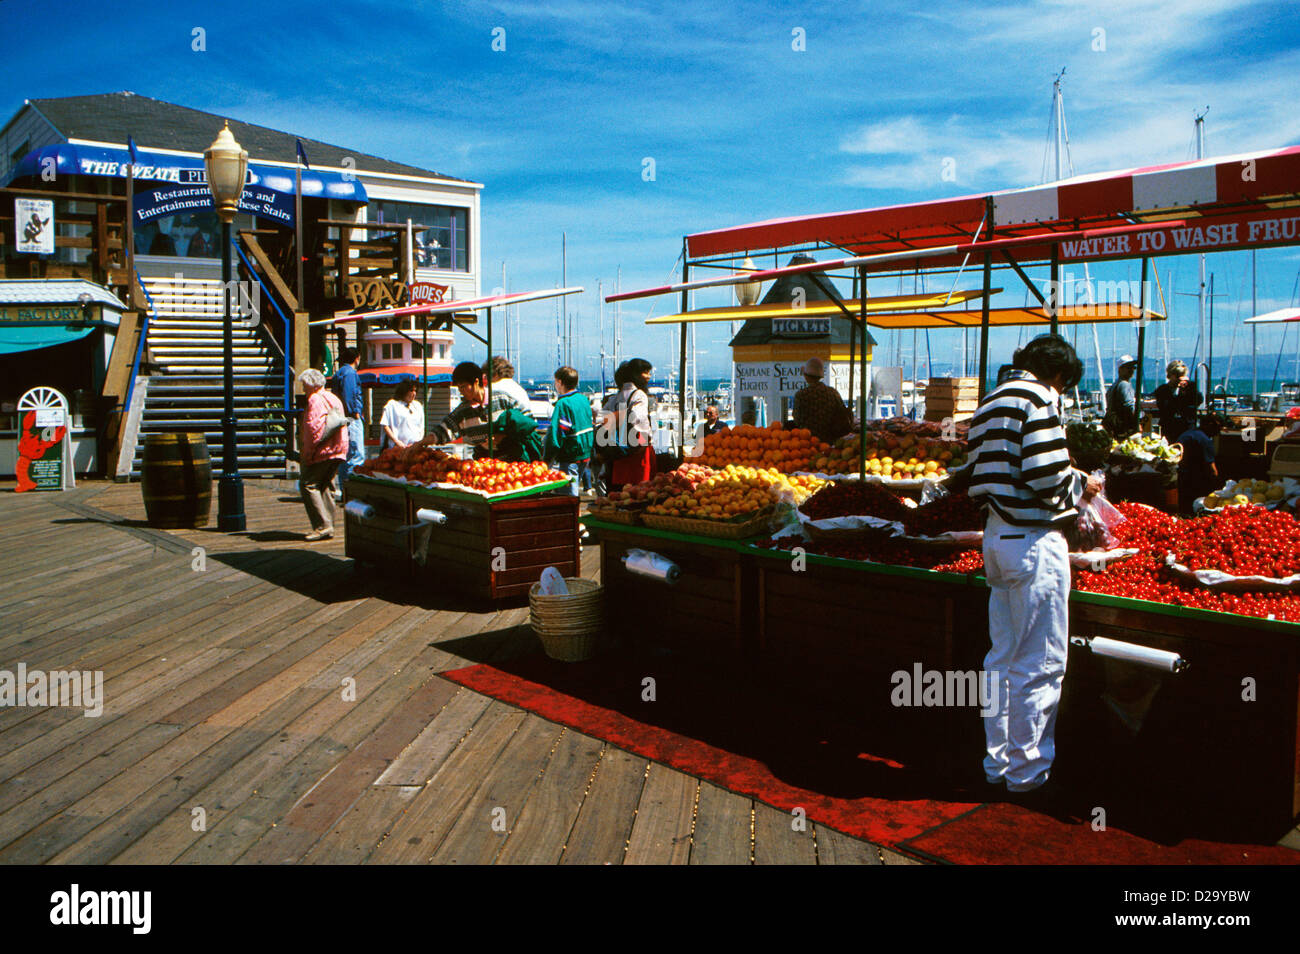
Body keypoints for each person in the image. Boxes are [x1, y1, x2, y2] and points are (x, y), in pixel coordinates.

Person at [964, 334, 1103, 802]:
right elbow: (1046, 476)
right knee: (1041, 662)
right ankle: (1028, 774)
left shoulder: (991, 399)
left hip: (996, 537)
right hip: (1033, 540)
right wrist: (1080, 487)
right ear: (1058, 374)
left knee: (1001, 657)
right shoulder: (1040, 398)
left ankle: (996, 763)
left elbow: (976, 470)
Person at [429, 361, 543, 461]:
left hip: (514, 461)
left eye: (463, 387)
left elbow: (528, 421)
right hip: (485, 463)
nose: (461, 391)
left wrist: (503, 435)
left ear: (476, 382)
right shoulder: (462, 411)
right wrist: (422, 442)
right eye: (459, 388)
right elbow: (443, 430)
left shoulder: (502, 399)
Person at [298, 368, 349, 542]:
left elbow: (314, 430)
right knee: (326, 485)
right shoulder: (333, 397)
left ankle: (322, 526)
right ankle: (329, 525)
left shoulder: (315, 399)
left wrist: (308, 453)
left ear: (311, 384)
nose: (303, 389)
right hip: (339, 449)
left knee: (308, 484)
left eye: (304, 385)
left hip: (323, 450)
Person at [599, 358, 657, 491]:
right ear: (635, 374)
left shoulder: (615, 397)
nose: (649, 376)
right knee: (640, 490)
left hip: (619, 450)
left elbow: (601, 419)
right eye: (645, 372)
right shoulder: (639, 395)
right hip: (637, 449)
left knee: (621, 490)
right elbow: (637, 418)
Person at [546, 366, 595, 496]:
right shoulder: (583, 399)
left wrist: (547, 459)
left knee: (569, 495)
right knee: (573, 489)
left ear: (560, 382)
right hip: (585, 453)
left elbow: (556, 434)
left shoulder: (563, 403)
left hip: (570, 455)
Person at [792, 357, 853, 443]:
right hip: (831, 441)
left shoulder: (801, 395)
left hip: (807, 442)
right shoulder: (833, 393)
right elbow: (842, 414)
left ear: (806, 376)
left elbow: (797, 420)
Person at [1175, 414, 1222, 515]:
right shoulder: (1205, 440)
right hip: (1196, 482)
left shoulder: (1187, 434)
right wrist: (1219, 488)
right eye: (1218, 428)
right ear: (1210, 425)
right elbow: (1212, 470)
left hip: (1182, 478)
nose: (1218, 432)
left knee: (1184, 510)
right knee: (1196, 511)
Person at [333, 347, 365, 494]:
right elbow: (350, 394)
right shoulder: (350, 373)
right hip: (351, 418)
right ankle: (353, 491)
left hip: (341, 417)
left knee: (345, 455)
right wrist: (355, 412)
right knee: (356, 454)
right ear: (356, 358)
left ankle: (344, 489)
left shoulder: (339, 372)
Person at [1153, 360, 1201, 440]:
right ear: (1170, 375)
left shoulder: (1189, 388)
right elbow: (1166, 408)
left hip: (1186, 427)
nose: (1179, 378)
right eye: (1177, 375)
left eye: (1182, 375)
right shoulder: (1162, 390)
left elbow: (1198, 400)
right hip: (1169, 428)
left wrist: (1190, 387)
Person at [380, 380, 425, 450]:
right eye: (411, 390)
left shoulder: (418, 405)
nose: (414, 393)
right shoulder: (392, 405)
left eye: (415, 391)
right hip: (397, 448)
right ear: (404, 391)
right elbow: (385, 426)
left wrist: (418, 443)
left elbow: (422, 428)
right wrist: (397, 442)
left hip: (415, 448)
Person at [1103, 355, 1139, 438]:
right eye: (1128, 367)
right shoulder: (1124, 385)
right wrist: (1137, 424)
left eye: (1133, 367)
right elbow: (1129, 406)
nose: (1131, 370)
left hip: (1113, 426)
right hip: (1122, 427)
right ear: (1120, 369)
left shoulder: (1115, 384)